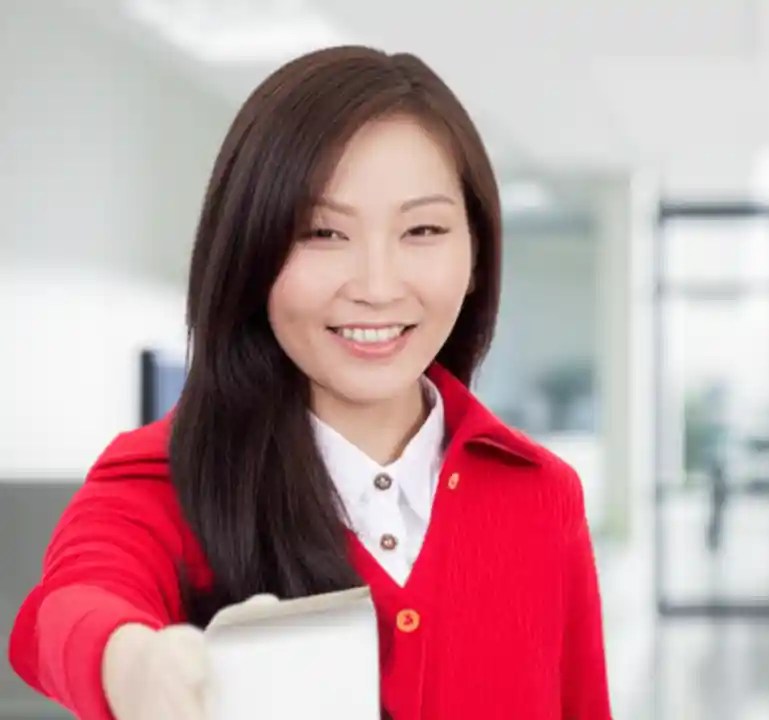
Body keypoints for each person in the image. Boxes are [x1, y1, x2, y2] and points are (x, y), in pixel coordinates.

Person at [6, 46, 611, 720]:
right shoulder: (169, 476)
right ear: (251, 253)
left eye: (423, 229)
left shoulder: (540, 495)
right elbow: (68, 607)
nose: (377, 286)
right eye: (322, 232)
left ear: (476, 253)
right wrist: (132, 663)